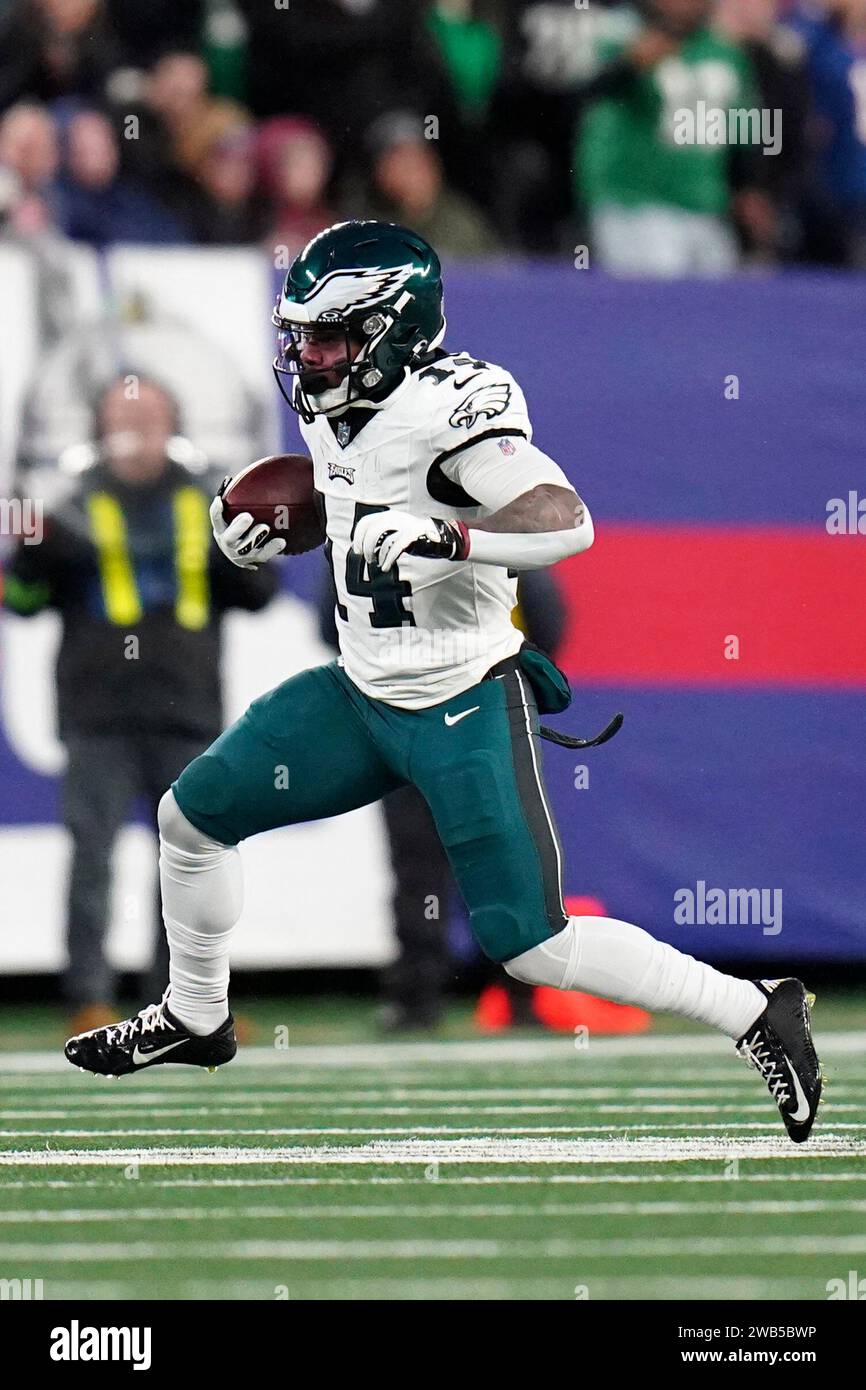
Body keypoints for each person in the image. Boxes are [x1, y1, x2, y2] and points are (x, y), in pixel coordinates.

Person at [65, 220, 822, 1146]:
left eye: (330, 337)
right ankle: (196, 1014)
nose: (308, 355)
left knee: (534, 945)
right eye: (299, 334)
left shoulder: (453, 404)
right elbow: (345, 492)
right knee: (190, 817)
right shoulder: (331, 400)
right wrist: (252, 525)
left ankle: (755, 1010)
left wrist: (454, 537)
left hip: (460, 698)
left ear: (396, 332)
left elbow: (565, 518)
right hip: (359, 692)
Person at [3, 375, 277, 1028]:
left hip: (188, 712)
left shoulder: (204, 501)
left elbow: (261, 593)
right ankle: (88, 998)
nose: (137, 431)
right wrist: (34, 561)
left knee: (192, 864)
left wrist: (239, 549)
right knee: (92, 858)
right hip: (96, 714)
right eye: (124, 417)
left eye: (150, 417)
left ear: (174, 424)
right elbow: (19, 603)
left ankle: (183, 1001)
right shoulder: (70, 504)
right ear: (98, 428)